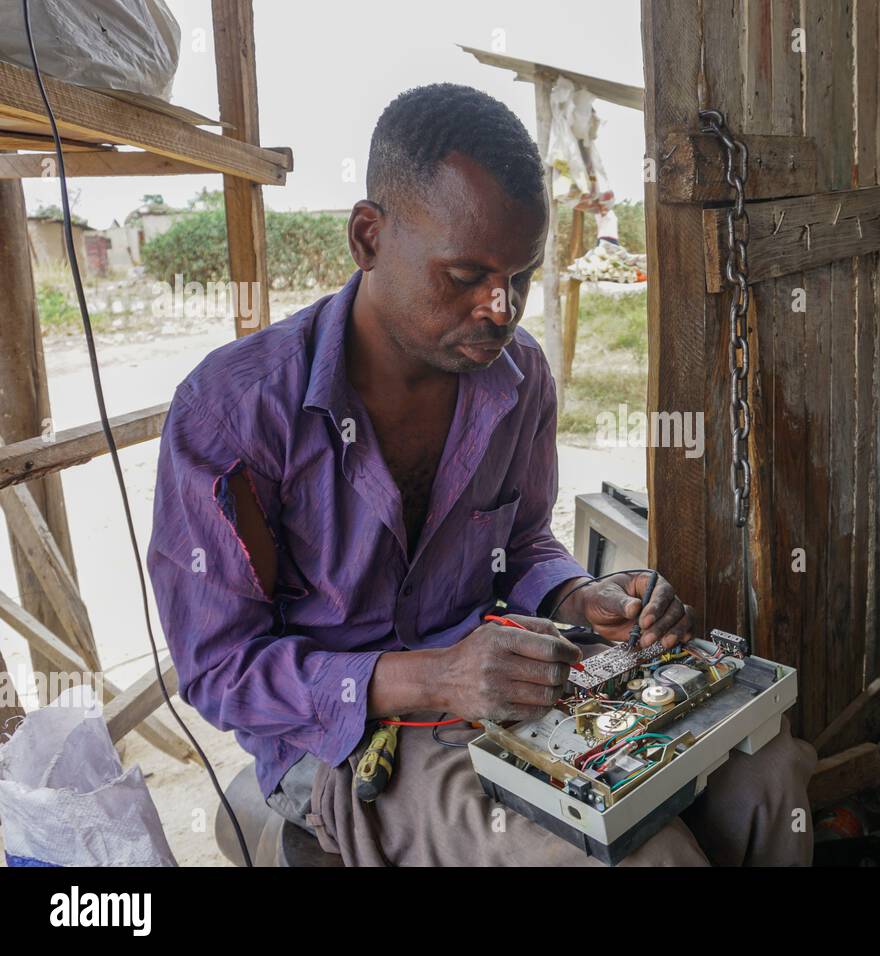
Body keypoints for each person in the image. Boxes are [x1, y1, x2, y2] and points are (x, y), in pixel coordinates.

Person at [147, 83, 814, 866]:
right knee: (646, 857)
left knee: (766, 770)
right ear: (368, 237)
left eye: (522, 277)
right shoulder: (233, 413)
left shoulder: (518, 377)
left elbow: (523, 538)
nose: (501, 309)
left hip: (500, 678)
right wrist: (435, 678)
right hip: (342, 737)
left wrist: (577, 594)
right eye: (464, 275)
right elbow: (222, 672)